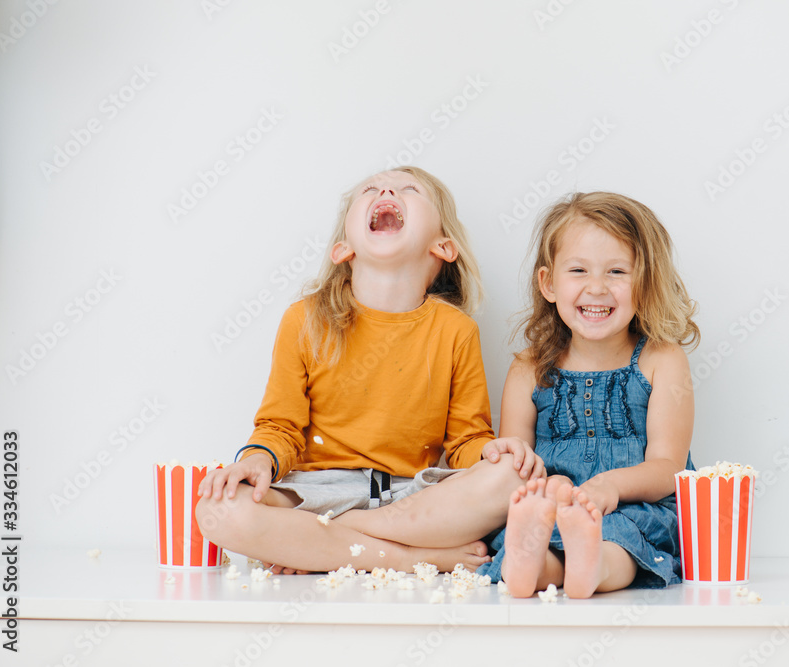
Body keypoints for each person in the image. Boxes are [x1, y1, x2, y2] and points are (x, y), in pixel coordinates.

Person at [196, 167, 544, 575]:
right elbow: (279, 427)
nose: (386, 191)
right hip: (318, 491)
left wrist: (491, 453)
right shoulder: (304, 320)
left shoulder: (456, 330)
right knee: (218, 510)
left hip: (412, 496)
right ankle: (409, 557)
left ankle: (329, 540)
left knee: (513, 477)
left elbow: (467, 440)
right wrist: (257, 461)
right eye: (370, 190)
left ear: (443, 246)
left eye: (409, 189)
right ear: (343, 248)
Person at [478, 192, 699, 598]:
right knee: (534, 536)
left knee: (618, 541)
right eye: (579, 270)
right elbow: (516, 464)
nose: (596, 287)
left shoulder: (661, 360)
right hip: (551, 509)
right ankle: (527, 566)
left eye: (617, 271)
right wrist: (539, 482)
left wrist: (609, 488)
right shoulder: (529, 368)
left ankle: (592, 564)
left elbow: (668, 467)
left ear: (645, 284)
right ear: (549, 283)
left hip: (632, 508)